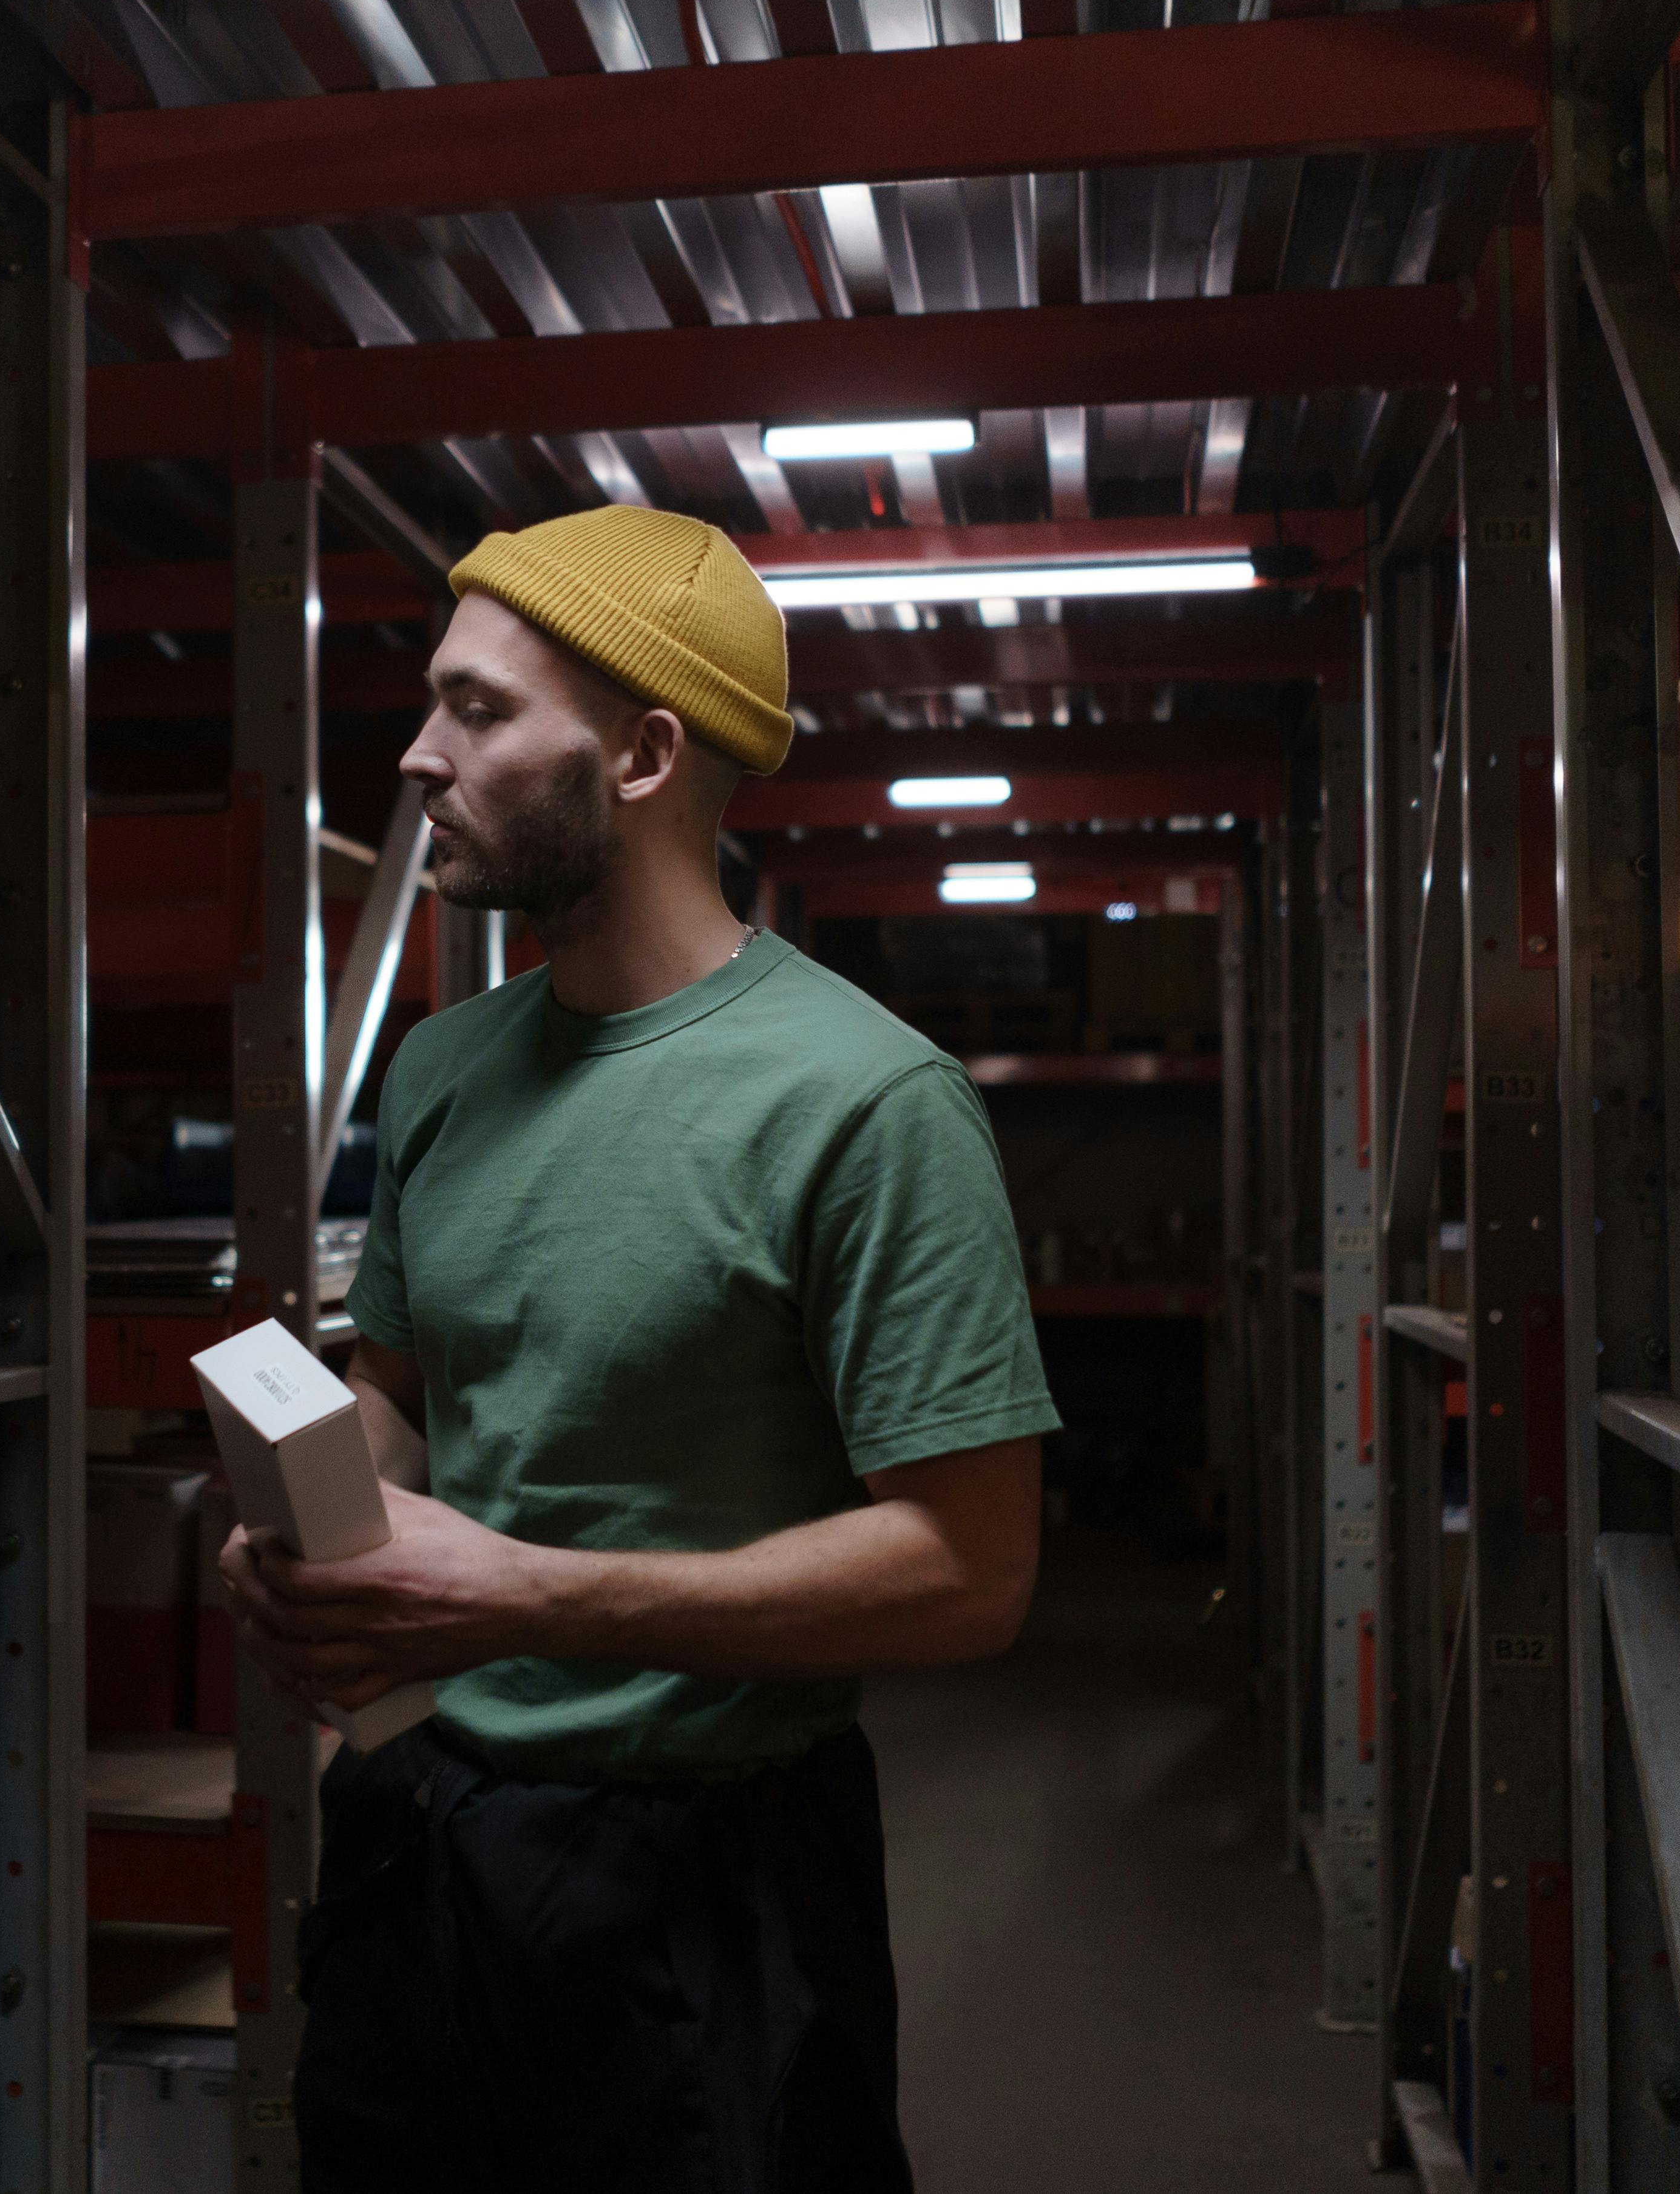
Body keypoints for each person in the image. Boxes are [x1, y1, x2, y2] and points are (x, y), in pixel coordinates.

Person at [214, 503, 1059, 2192]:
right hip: (423, 1842)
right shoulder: (444, 1068)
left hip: (708, 1882)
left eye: (477, 709)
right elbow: (402, 1390)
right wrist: (313, 1532)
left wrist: (523, 1591)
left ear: (649, 752)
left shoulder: (868, 1103)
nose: (417, 756)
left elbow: (973, 1568)